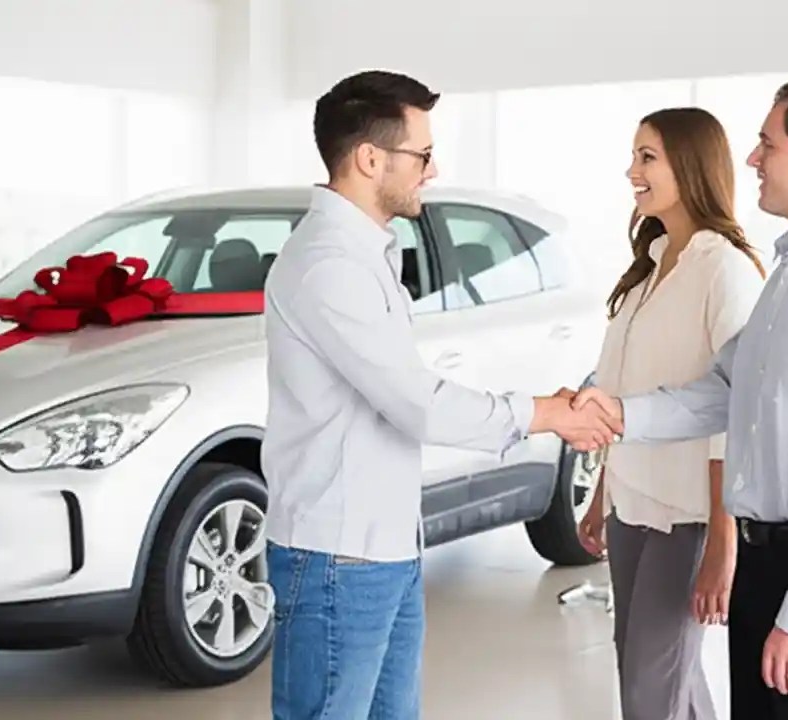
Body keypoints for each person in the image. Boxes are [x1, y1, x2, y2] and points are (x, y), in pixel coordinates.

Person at [260, 69, 620, 720]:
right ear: (371, 158)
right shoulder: (328, 265)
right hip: (340, 555)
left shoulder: (366, 253)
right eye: (422, 154)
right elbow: (416, 402)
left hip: (386, 546)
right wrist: (546, 414)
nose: (433, 168)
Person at [573, 74, 788, 719]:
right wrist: (619, 415)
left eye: (768, 144)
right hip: (768, 564)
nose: (754, 159)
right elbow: (725, 390)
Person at [572, 107, 765, 720]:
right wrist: (603, 491)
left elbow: (735, 410)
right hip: (633, 507)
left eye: (647, 156)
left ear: (690, 163)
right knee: (659, 681)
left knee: (650, 696)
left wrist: (722, 542)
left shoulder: (726, 270)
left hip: (689, 517)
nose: (632, 170)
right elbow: (621, 392)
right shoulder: (646, 271)